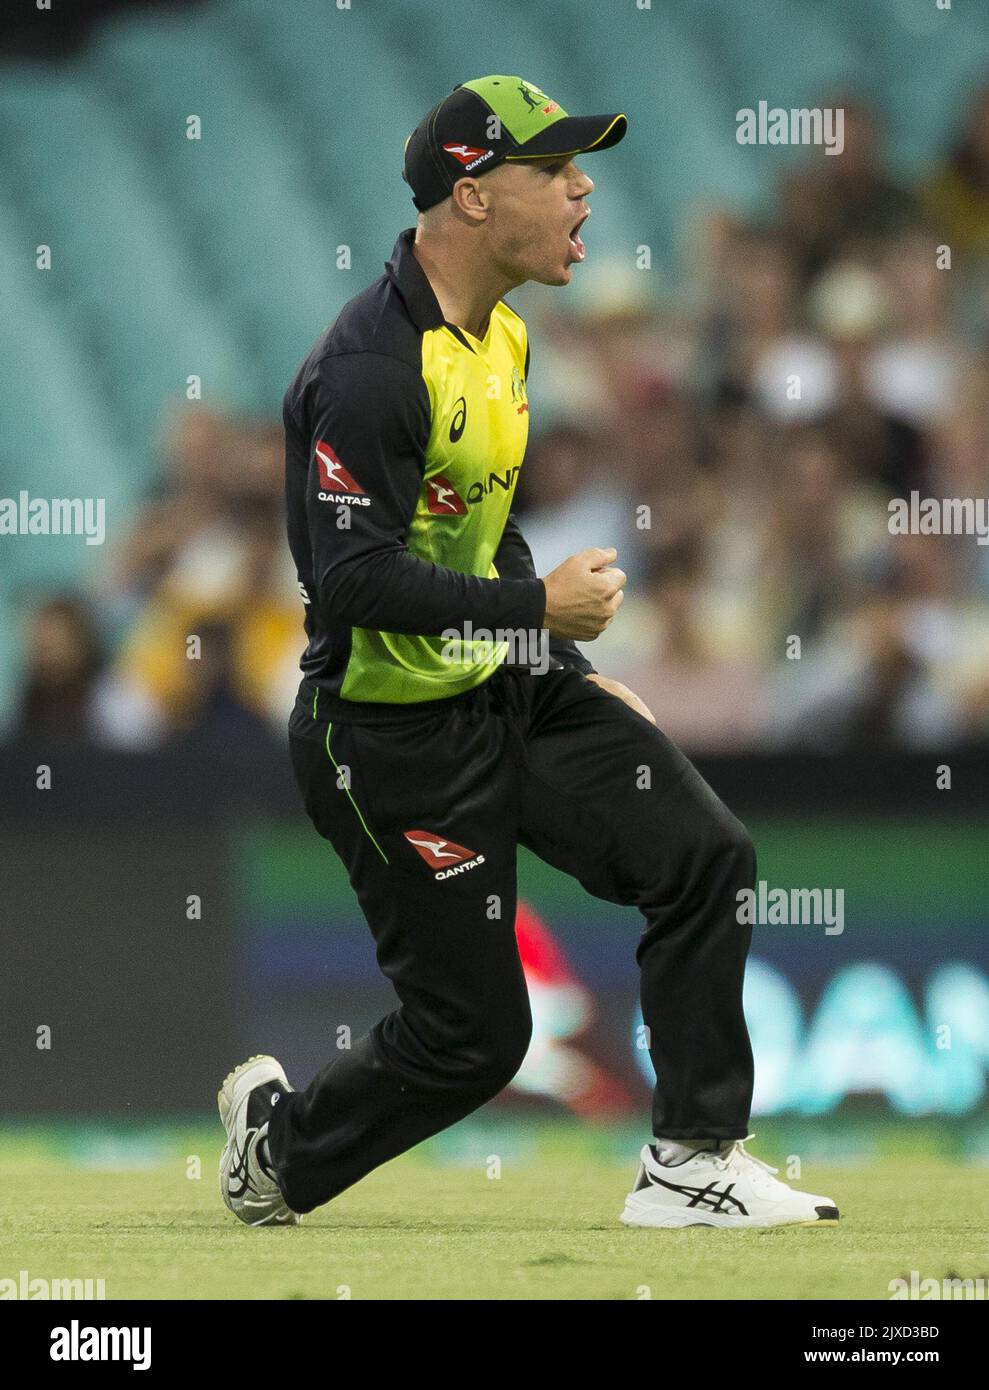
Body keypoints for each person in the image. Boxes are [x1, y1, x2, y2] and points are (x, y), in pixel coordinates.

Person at [217, 76, 838, 1231]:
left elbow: (478, 521)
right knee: (477, 1039)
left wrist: (565, 666)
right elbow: (349, 584)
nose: (581, 185)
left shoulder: (499, 334)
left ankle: (691, 1163)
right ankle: (277, 1156)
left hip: (508, 684)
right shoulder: (366, 370)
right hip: (386, 734)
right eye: (553, 170)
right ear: (470, 195)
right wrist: (538, 615)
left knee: (701, 851)